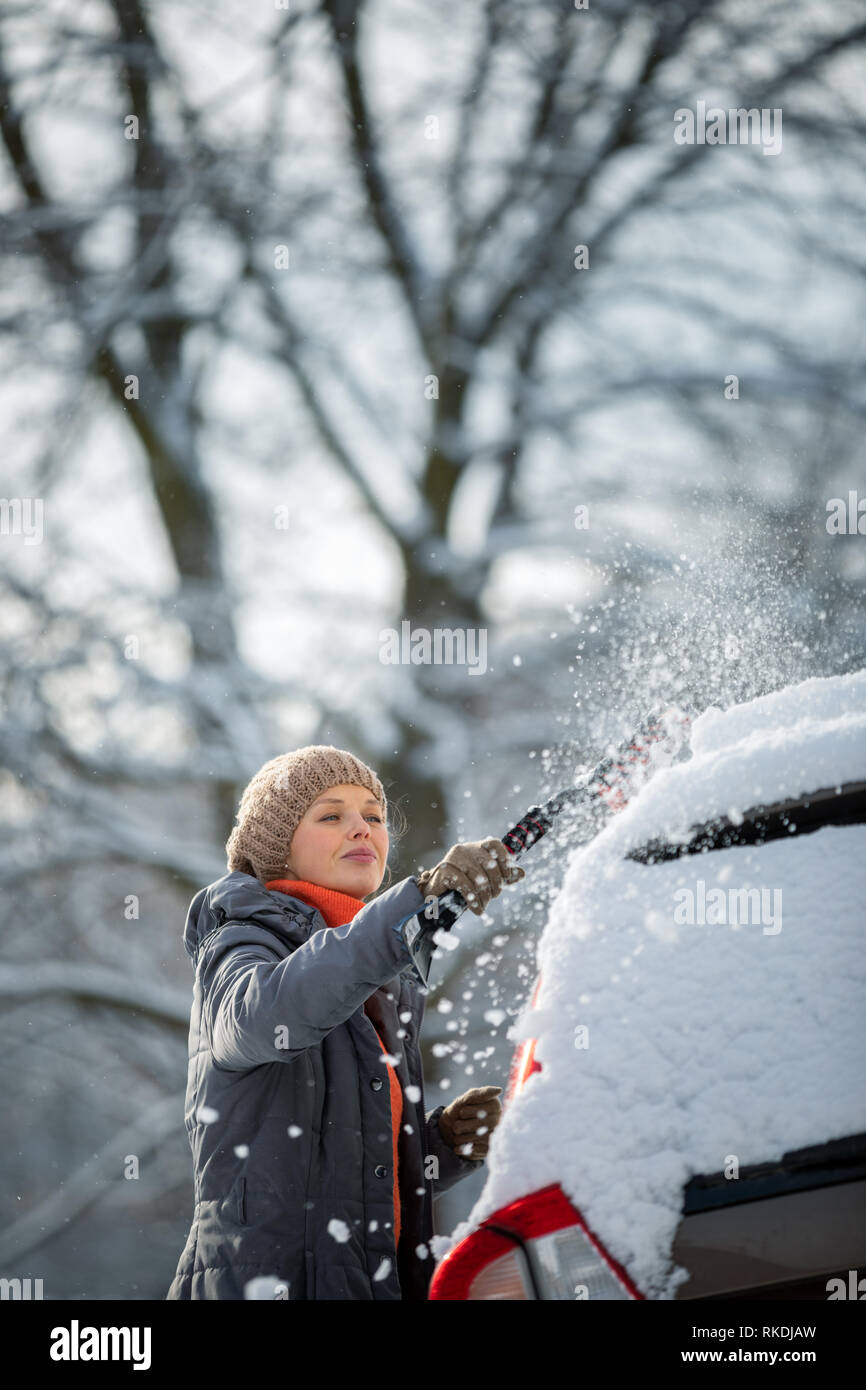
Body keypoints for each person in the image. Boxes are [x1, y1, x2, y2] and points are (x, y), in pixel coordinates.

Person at [166, 744, 525, 1300]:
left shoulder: (383, 978)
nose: (362, 829)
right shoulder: (237, 943)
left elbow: (353, 1183)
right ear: (276, 850)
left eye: (374, 816)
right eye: (331, 815)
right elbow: (262, 1017)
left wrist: (444, 1148)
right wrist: (410, 909)